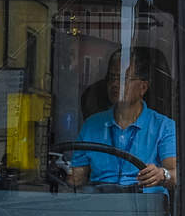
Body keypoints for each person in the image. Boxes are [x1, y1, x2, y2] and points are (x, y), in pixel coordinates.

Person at [69, 47, 177, 191]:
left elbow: (176, 175)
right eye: (112, 78)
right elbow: (77, 178)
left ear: (143, 87)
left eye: (123, 79)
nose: (115, 84)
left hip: (144, 207)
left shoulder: (164, 126)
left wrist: (162, 175)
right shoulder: (91, 125)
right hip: (99, 206)